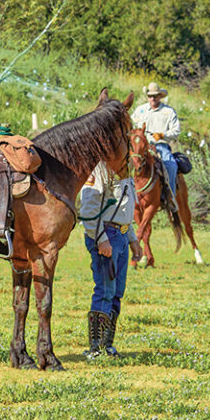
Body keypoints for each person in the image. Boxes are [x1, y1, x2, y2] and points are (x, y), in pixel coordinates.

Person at [79, 160, 134, 358]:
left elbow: (123, 209)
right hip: (106, 236)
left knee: (117, 292)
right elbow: (88, 211)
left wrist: (133, 239)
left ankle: (107, 346)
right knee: (105, 291)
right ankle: (96, 349)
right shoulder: (100, 171)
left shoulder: (125, 169)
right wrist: (101, 240)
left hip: (121, 235)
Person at [131, 81, 181, 213]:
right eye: (150, 96)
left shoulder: (168, 112)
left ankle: (170, 198)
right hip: (140, 146)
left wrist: (163, 135)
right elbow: (131, 127)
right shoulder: (139, 111)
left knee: (171, 165)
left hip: (160, 146)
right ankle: (121, 196)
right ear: (147, 96)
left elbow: (176, 131)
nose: (153, 98)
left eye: (155, 96)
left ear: (160, 96)